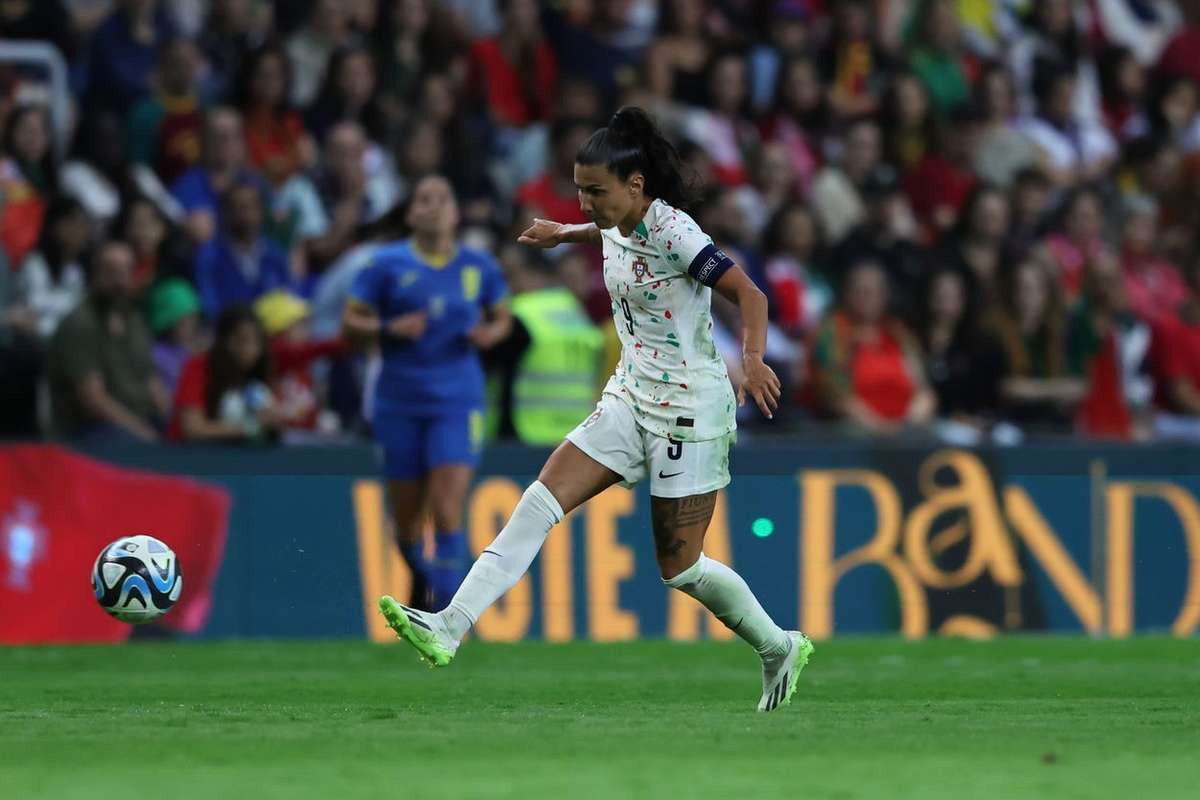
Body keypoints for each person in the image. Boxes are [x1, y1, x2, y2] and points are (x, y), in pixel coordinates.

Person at [377, 108, 812, 714]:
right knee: (539, 501)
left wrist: (755, 358)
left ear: (635, 185)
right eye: (579, 190)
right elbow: (608, 233)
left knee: (680, 568)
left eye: (595, 192)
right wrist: (564, 232)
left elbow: (749, 293)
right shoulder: (613, 222)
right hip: (630, 397)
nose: (585, 202)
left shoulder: (675, 232)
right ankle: (449, 625)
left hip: (689, 409)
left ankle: (778, 645)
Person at [342, 175, 511, 612]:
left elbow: (503, 317)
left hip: (458, 400)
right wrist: (387, 327)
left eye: (442, 199)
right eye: (424, 200)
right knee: (406, 522)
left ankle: (449, 616)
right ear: (411, 214)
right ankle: (423, 577)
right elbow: (350, 321)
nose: (434, 207)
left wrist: (489, 334)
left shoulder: (479, 266)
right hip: (399, 401)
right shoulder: (386, 264)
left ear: (455, 214)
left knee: (448, 510)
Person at [47, 239, 169, 441]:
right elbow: (93, 400)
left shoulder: (133, 318)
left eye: (125, 272)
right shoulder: (80, 324)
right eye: (111, 272)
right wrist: (142, 432)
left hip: (140, 418)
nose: (120, 281)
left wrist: (170, 421)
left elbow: (151, 379)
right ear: (94, 275)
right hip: (90, 429)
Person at [170, 305, 283, 442]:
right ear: (224, 341)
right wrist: (252, 426)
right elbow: (193, 429)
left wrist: (274, 421)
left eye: (257, 341)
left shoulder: (259, 374)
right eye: (242, 340)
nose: (251, 349)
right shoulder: (197, 367)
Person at [193, 179, 293, 319]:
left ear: (261, 212)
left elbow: (288, 299)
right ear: (225, 213)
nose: (246, 214)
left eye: (251, 207)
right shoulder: (209, 257)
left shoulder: (275, 255)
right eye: (238, 208)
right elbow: (210, 308)